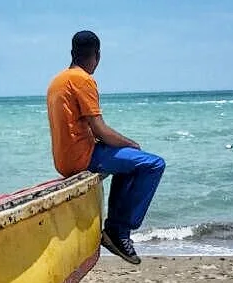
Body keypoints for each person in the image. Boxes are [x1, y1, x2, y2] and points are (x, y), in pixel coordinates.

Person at [46, 30, 165, 266]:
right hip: (83, 157)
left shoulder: (56, 81)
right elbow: (100, 129)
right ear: (97, 56)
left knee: (129, 165)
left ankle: (115, 227)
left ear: (72, 53)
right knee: (153, 164)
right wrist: (132, 144)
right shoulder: (83, 80)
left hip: (63, 160)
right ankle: (119, 231)